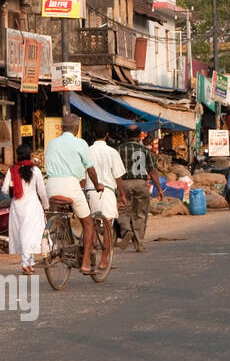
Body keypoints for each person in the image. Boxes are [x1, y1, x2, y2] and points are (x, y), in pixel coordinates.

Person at [44, 115, 103, 275]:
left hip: (51, 185)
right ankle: (85, 264)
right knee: (89, 223)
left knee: (62, 214)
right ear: (76, 129)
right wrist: (97, 184)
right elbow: (90, 169)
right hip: (71, 185)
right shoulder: (80, 143)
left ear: (62, 128)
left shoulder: (52, 143)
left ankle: (62, 239)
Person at [1, 143, 48, 274]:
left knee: (22, 233)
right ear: (30, 155)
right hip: (32, 205)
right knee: (30, 234)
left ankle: (30, 263)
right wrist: (46, 205)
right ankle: (26, 264)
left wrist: (13, 189)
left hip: (17, 205)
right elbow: (42, 191)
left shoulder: (12, 170)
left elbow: (4, 190)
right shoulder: (35, 170)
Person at [117, 124, 164, 252]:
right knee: (140, 214)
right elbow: (152, 170)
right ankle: (139, 244)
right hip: (140, 183)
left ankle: (127, 230)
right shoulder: (145, 150)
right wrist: (159, 188)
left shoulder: (119, 150)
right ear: (139, 136)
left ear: (126, 136)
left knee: (123, 211)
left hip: (124, 183)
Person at [89, 129, 127, 262]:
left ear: (94, 134)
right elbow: (118, 177)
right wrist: (122, 195)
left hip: (89, 191)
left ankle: (92, 250)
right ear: (107, 135)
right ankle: (104, 260)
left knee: (91, 225)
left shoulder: (87, 151)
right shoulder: (112, 152)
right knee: (107, 226)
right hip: (107, 192)